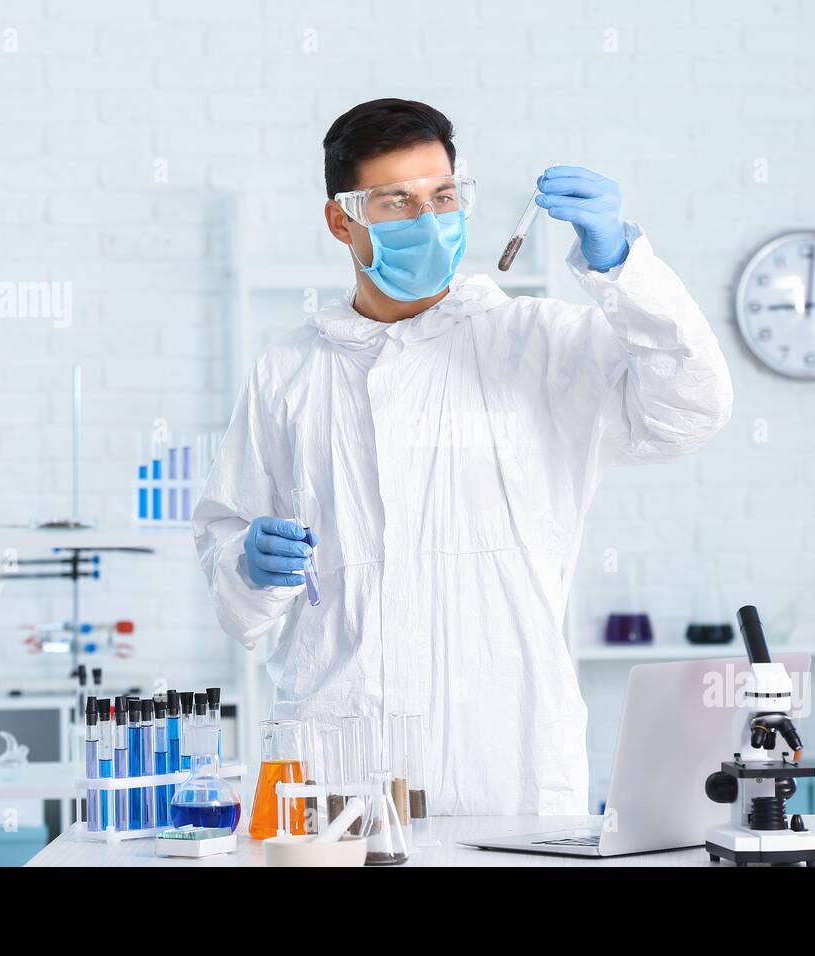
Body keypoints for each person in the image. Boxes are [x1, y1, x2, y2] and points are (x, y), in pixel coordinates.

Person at [193, 98, 733, 815]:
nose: (428, 221)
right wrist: (247, 566)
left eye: (442, 196)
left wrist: (622, 266)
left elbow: (689, 409)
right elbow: (239, 599)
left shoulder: (535, 344)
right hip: (341, 768)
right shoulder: (288, 372)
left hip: (507, 765)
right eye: (396, 202)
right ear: (340, 220)